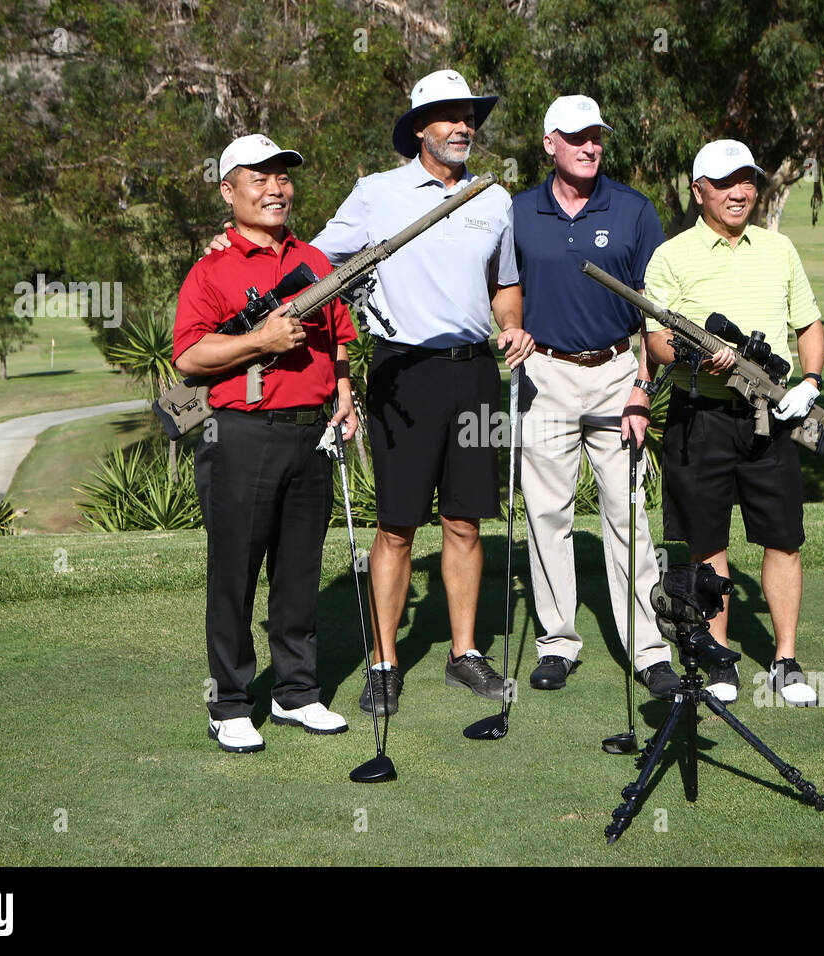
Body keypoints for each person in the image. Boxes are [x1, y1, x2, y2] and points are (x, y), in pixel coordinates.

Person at [311, 70, 534, 717]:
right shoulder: (376, 194)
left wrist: (512, 323)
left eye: (468, 115)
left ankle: (464, 655)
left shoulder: (494, 198)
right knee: (398, 526)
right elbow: (317, 261)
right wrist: (238, 246)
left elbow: (506, 284)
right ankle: (384, 663)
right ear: (419, 128)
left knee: (465, 521)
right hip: (402, 373)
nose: (463, 126)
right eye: (447, 116)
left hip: (473, 375)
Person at [173, 133, 358, 753]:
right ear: (229, 192)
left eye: (283, 176)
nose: (276, 188)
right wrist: (260, 343)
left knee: (300, 571)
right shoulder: (211, 269)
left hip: (311, 435)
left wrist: (345, 397)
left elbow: (338, 342)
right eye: (260, 178)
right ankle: (229, 702)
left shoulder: (315, 260)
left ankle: (297, 692)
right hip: (241, 437)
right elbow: (191, 358)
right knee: (235, 574)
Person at [643, 139, 824, 706]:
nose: (740, 191)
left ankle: (787, 660)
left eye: (746, 179)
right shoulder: (671, 256)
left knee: (783, 539)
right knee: (707, 542)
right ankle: (720, 661)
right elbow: (655, 340)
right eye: (725, 182)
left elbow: (809, 323)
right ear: (699, 191)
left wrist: (810, 383)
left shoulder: (779, 248)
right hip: (702, 416)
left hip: (772, 417)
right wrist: (699, 355)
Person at [511, 95, 678, 699]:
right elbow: (498, 288)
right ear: (550, 143)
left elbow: (656, 313)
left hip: (616, 373)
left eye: (597, 137)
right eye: (577, 136)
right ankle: (557, 641)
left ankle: (649, 647)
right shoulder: (519, 211)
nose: (590, 146)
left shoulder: (632, 210)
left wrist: (642, 385)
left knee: (627, 514)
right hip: (545, 374)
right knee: (547, 515)